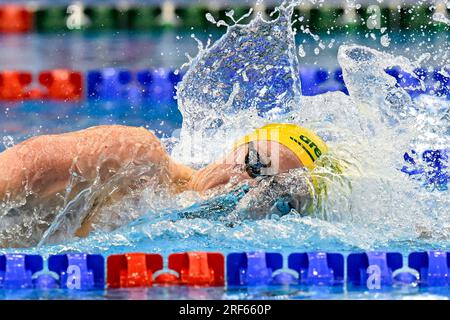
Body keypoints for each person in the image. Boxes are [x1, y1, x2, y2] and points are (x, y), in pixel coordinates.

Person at [0, 123, 328, 247]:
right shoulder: (137, 157)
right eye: (257, 162)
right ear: (234, 147)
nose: (246, 186)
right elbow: (31, 163)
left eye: (278, 194)